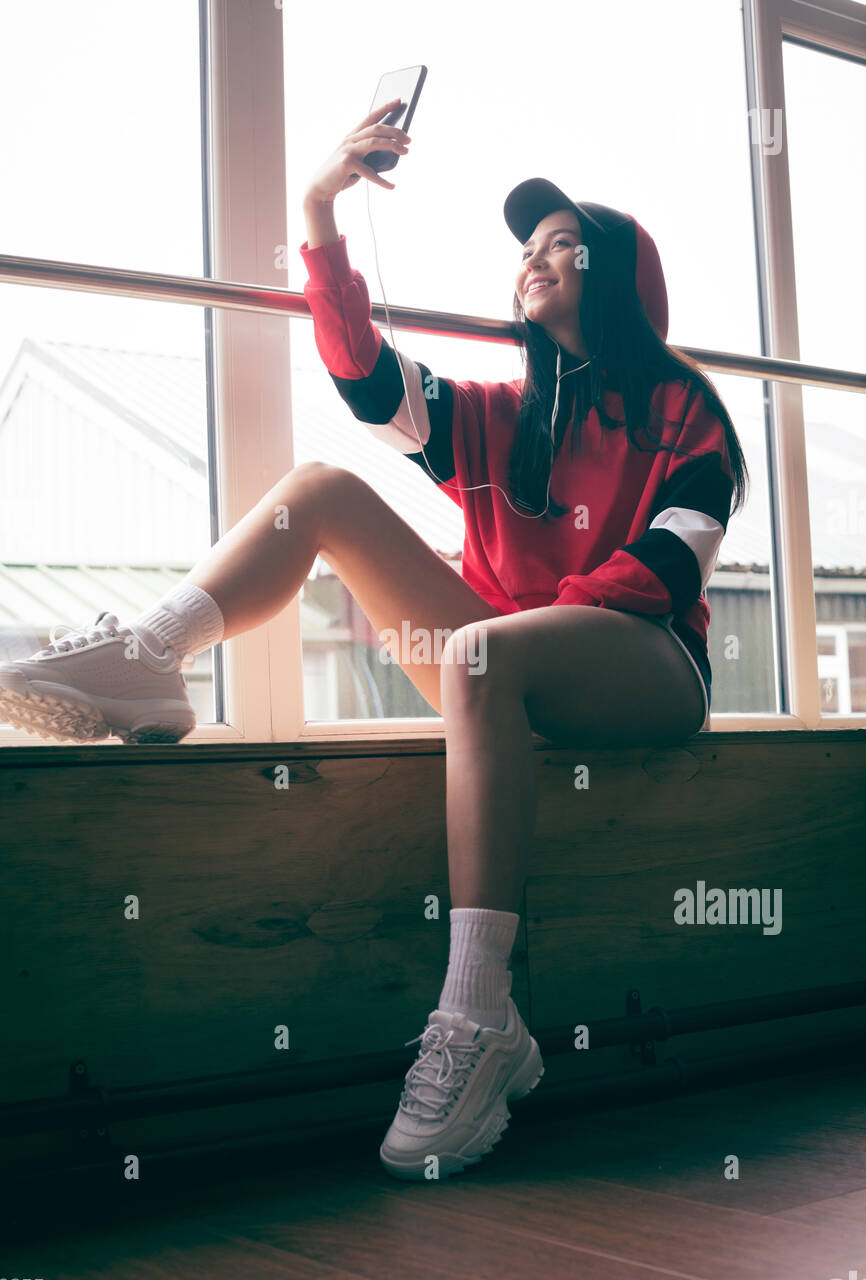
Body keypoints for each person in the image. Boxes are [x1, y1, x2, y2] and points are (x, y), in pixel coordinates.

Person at [0, 97, 748, 1181]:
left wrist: (517, 627)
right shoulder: (500, 415)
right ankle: (153, 658)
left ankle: (479, 1016)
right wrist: (318, 207)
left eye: (563, 246)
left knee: (487, 651)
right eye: (526, 251)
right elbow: (365, 381)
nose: (535, 260)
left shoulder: (685, 410)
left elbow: (666, 569)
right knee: (319, 491)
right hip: (502, 654)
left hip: (643, 662)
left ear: (624, 279)